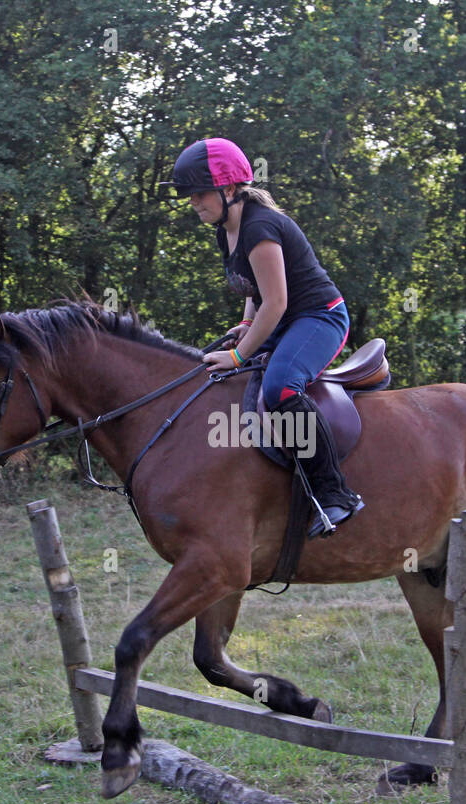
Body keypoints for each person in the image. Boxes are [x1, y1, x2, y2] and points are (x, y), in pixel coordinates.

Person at [161, 137, 363, 537]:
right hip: (283, 318)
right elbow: (254, 291)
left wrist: (238, 356)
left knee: (281, 389)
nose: (193, 203)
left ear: (230, 189)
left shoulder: (259, 228)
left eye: (199, 194)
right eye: (190, 196)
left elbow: (276, 301)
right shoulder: (226, 230)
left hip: (319, 318)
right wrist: (247, 325)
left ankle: (335, 494)